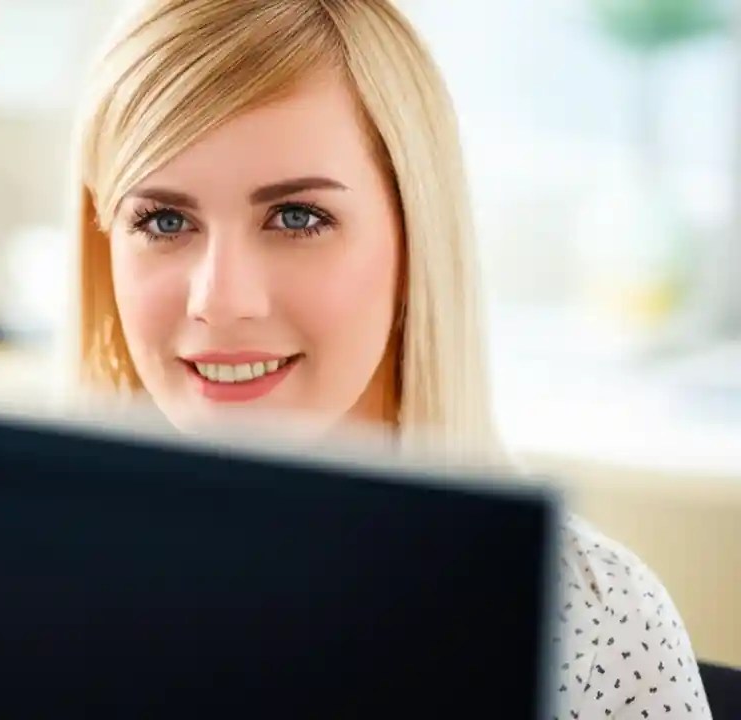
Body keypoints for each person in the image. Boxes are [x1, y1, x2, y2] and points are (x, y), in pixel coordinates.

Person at [70, 1, 711, 717]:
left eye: (296, 217)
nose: (221, 300)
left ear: (414, 241)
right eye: (164, 220)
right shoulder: (34, 581)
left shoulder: (592, 624)